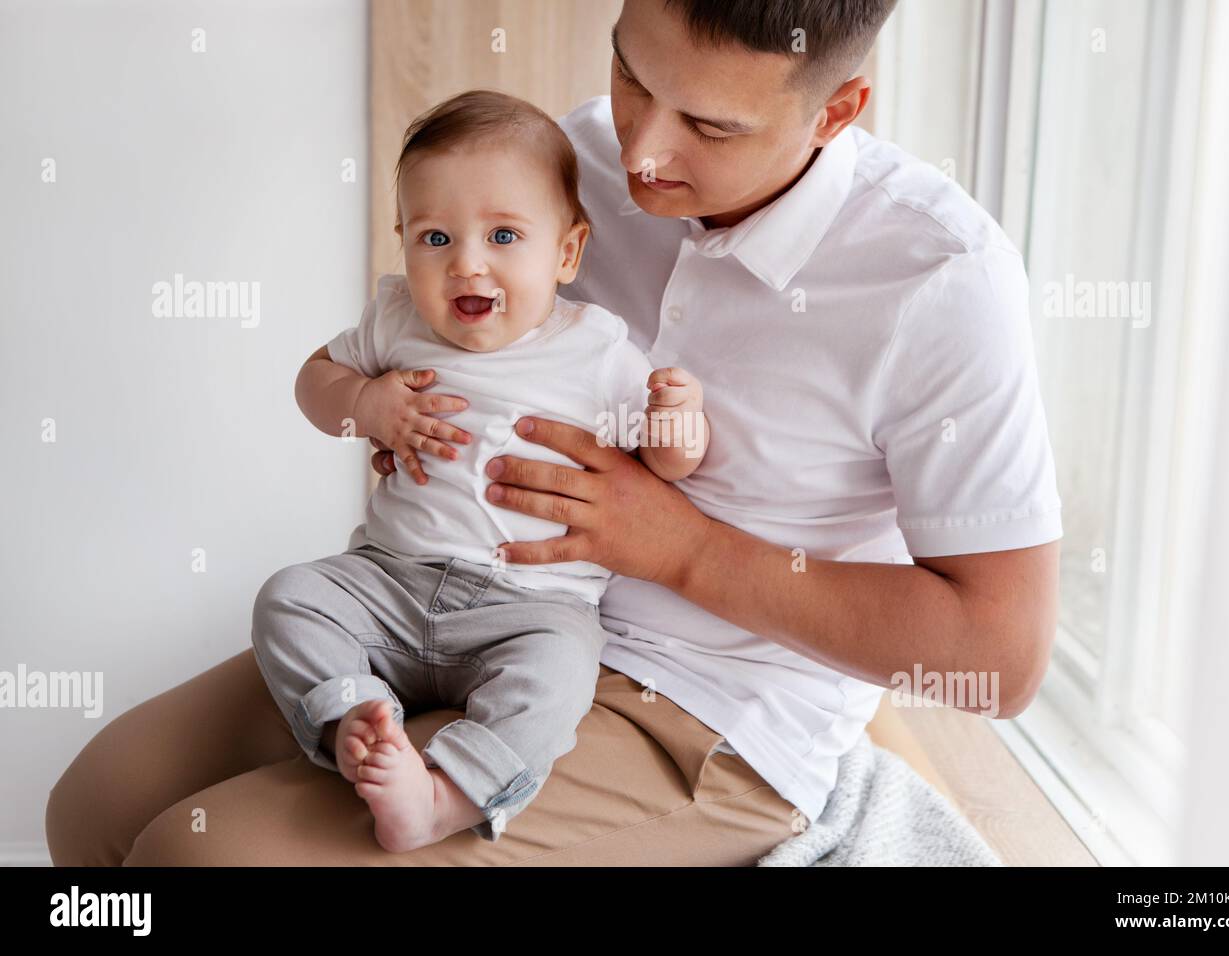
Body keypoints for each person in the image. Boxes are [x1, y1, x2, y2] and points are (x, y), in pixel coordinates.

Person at [46, 0, 1061, 867]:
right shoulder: (570, 163)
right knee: (93, 807)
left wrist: (682, 545)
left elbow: (999, 656)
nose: (642, 153)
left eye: (708, 126)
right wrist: (391, 407)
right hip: (450, 602)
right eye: (630, 73)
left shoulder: (938, 278)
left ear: (836, 110)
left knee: (195, 852)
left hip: (698, 709)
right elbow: (444, 335)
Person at [252, 87, 710, 852]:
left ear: (565, 252)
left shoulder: (596, 352)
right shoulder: (395, 320)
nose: (467, 263)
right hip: (389, 580)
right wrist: (364, 405)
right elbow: (312, 384)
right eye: (435, 238)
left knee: (560, 678)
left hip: (531, 605)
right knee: (290, 597)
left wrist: (675, 418)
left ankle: (441, 798)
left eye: (503, 235)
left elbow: (668, 463)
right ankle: (357, 727)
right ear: (401, 240)